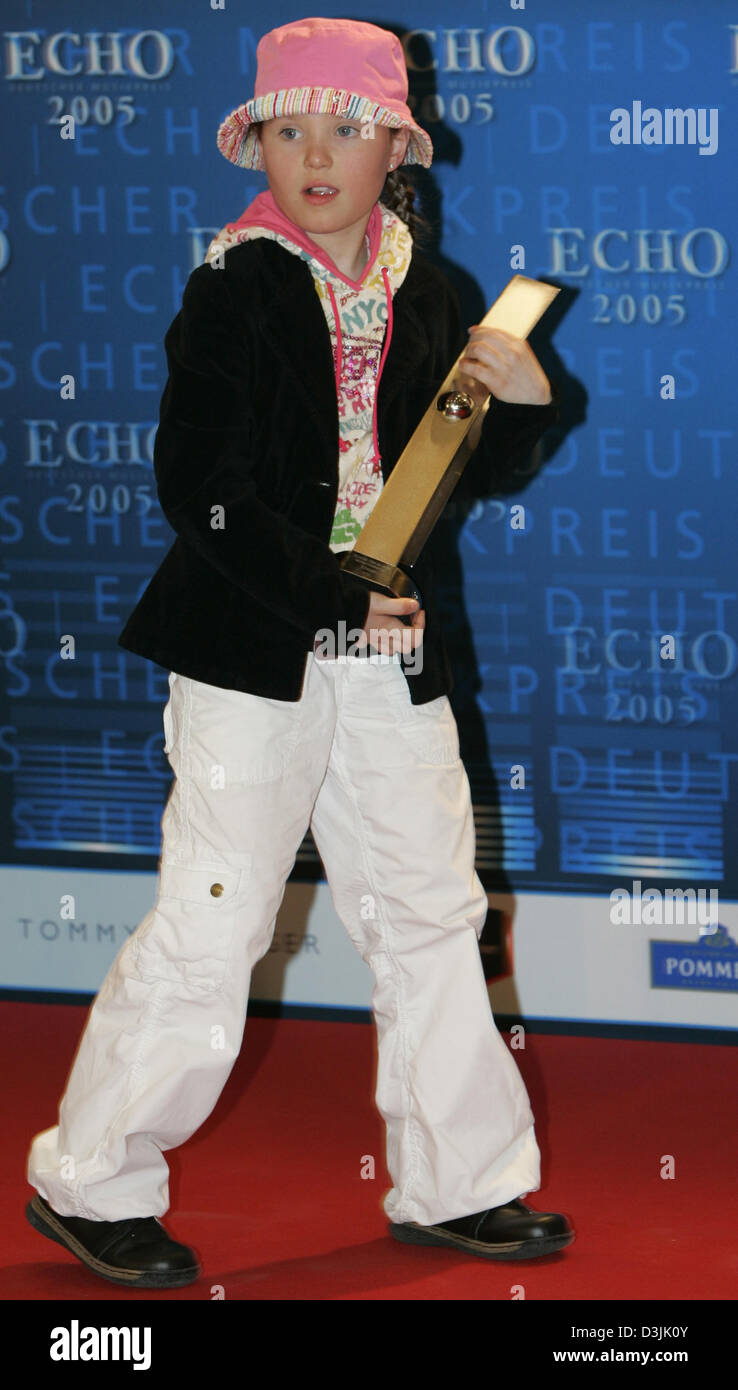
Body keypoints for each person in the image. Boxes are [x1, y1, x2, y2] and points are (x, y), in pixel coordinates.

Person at [25, 16, 574, 1289]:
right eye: (287, 128)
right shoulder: (233, 284)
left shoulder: (431, 287)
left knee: (434, 909)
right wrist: (324, 586)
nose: (315, 154)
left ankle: (461, 1181)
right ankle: (89, 1179)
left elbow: (456, 472)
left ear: (397, 144)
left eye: (344, 127)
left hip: (394, 651)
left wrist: (532, 403)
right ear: (254, 143)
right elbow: (197, 488)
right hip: (249, 649)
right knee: (215, 922)